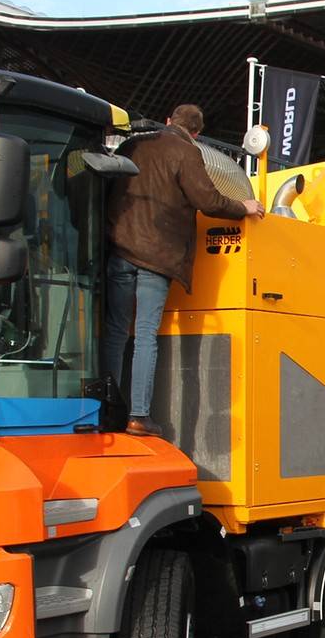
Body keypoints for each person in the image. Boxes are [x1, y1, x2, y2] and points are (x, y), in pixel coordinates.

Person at [101, 103, 263, 435]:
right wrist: (244, 206)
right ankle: (137, 415)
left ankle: (105, 409)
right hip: (158, 256)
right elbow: (209, 200)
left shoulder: (133, 145)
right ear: (197, 133)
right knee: (145, 334)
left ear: (167, 121)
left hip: (120, 249)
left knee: (116, 332)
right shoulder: (187, 153)